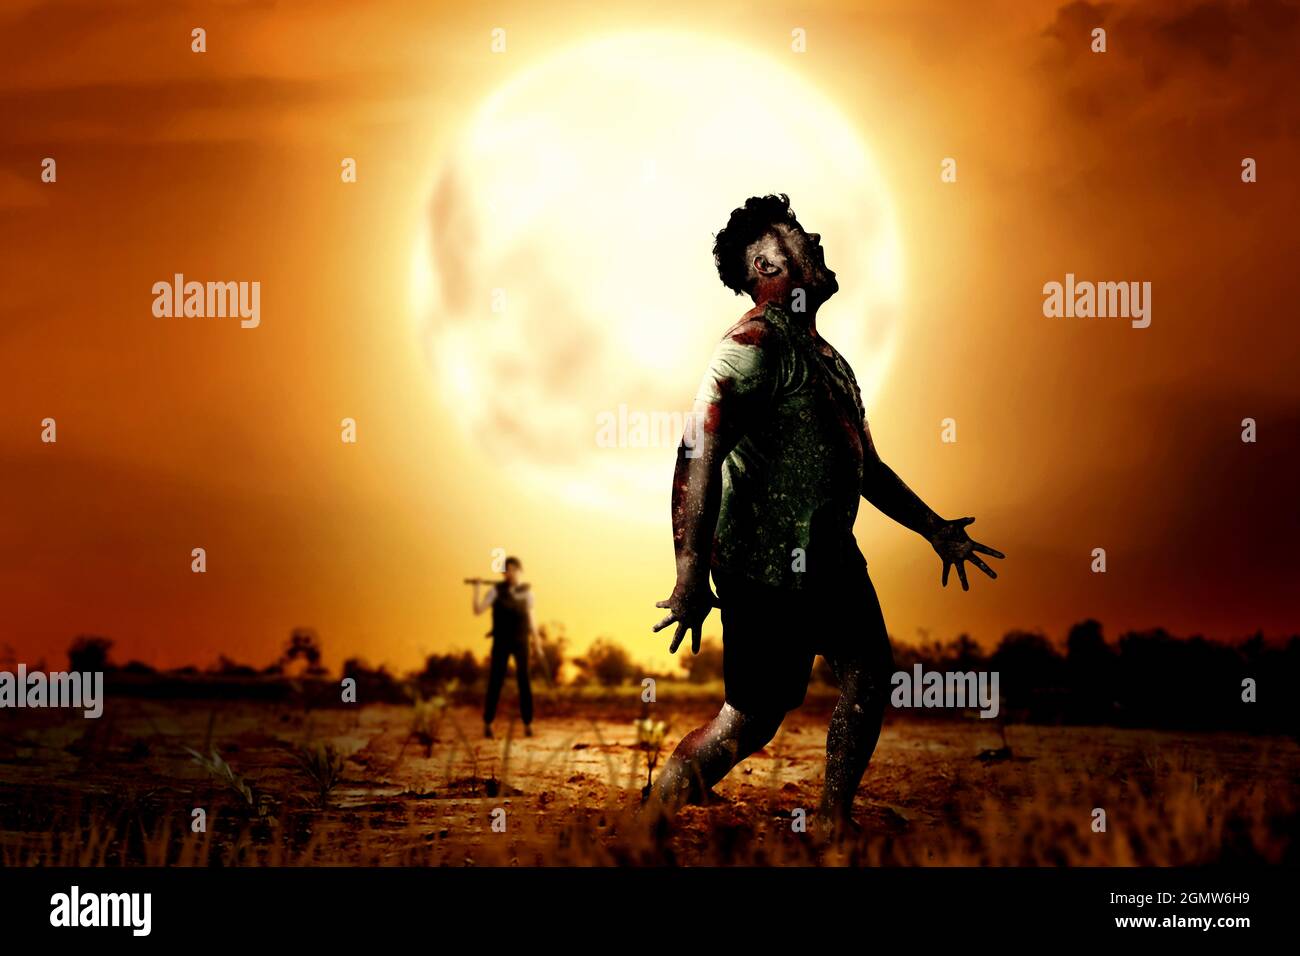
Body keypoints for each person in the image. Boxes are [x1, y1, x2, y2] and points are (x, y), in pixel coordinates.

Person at [651, 194, 1004, 829]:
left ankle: (833, 821)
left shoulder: (828, 358)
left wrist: (935, 529)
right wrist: (689, 575)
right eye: (793, 234)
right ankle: (653, 809)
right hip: (762, 570)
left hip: (833, 562)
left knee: (870, 673)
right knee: (751, 722)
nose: (812, 236)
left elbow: (865, 464)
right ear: (763, 264)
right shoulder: (750, 344)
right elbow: (694, 457)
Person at [472, 556, 535, 738]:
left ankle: (528, 723)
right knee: (496, 680)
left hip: (522, 641)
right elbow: (478, 610)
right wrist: (477, 589)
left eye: (514, 569)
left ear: (520, 571)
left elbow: (532, 619)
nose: (511, 573)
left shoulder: (527, 592)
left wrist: (537, 642)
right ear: (503, 573)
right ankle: (488, 722)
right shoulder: (495, 591)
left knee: (524, 680)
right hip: (501, 641)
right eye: (507, 570)